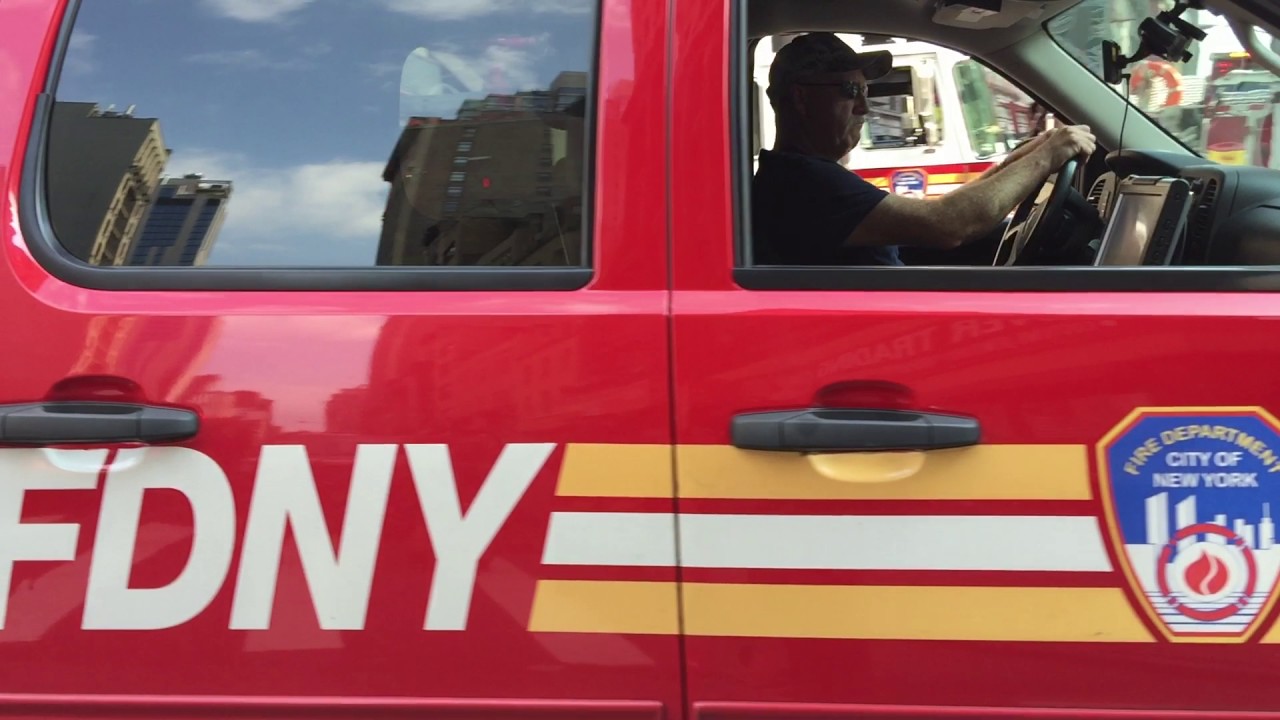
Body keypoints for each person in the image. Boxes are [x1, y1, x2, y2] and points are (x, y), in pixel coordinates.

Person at [752, 32, 1098, 266]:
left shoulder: (799, 176)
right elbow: (948, 224)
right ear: (801, 97)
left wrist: (1023, 158)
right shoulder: (805, 183)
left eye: (865, 92)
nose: (865, 108)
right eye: (849, 90)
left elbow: (944, 213)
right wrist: (1049, 154)